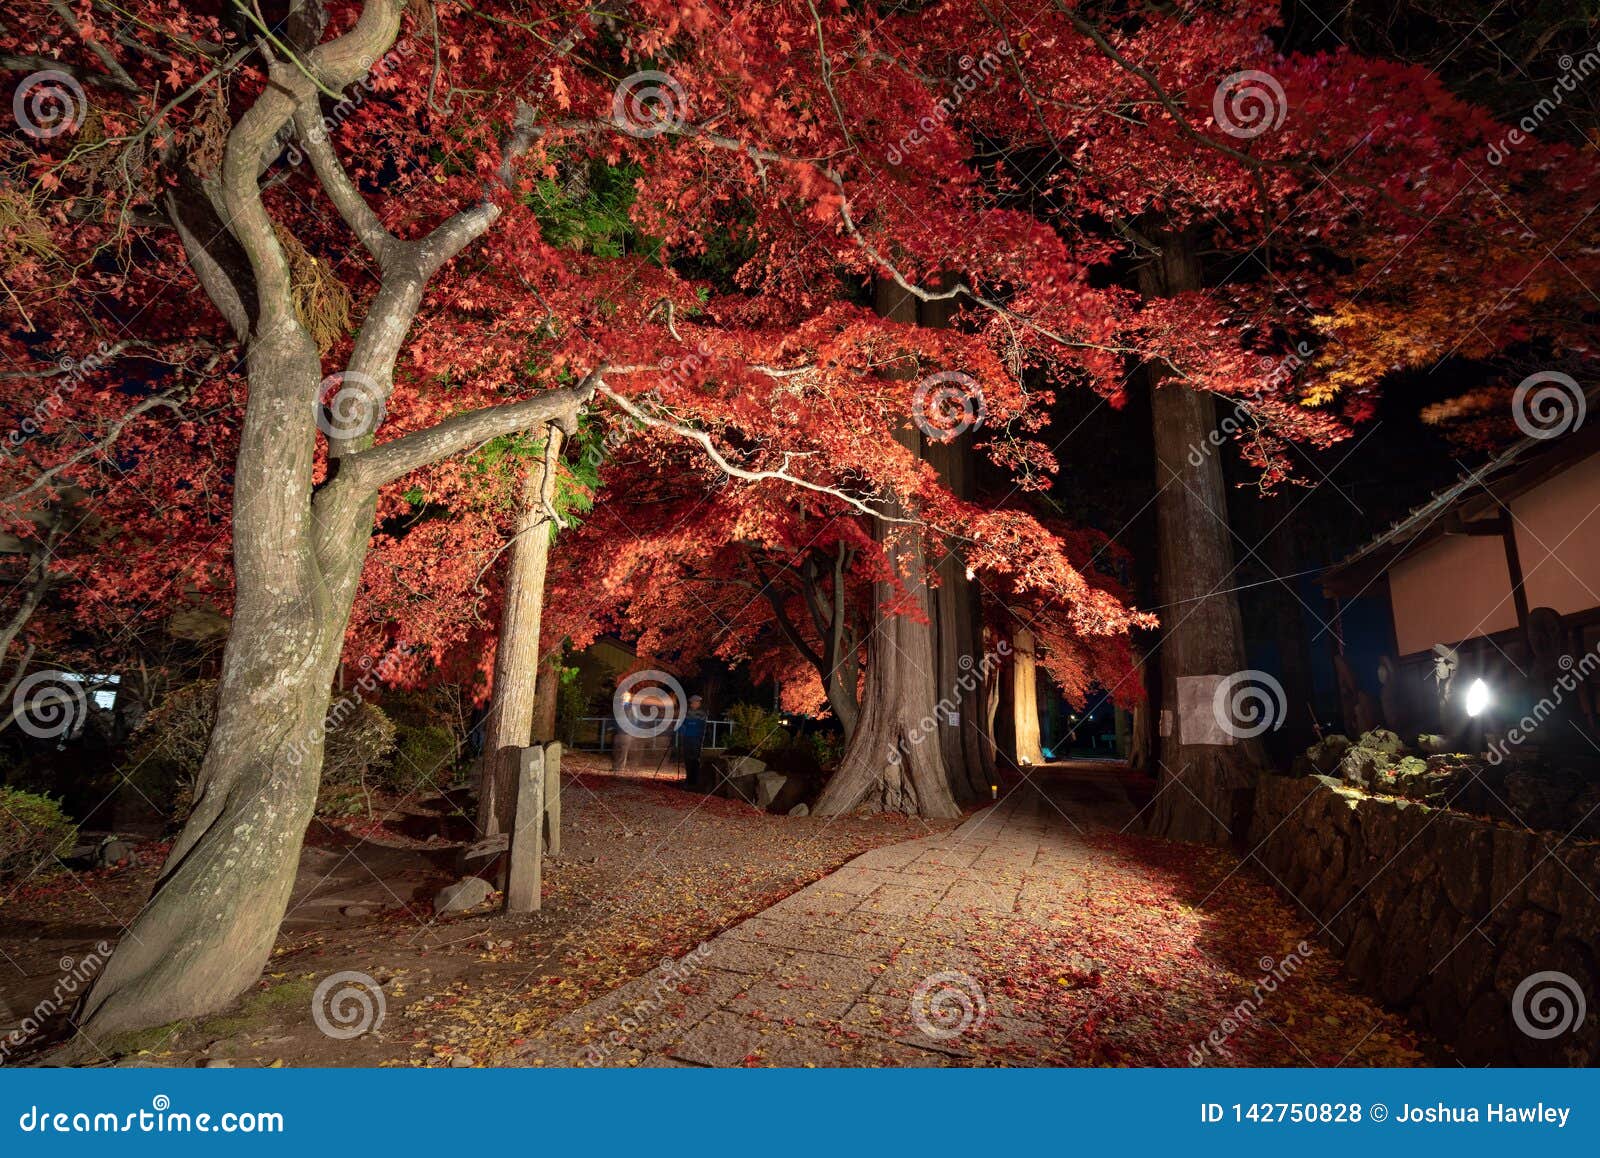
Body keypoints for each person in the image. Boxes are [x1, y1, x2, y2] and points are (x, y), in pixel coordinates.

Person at [676, 694, 708, 788]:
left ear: (699, 703)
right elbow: (682, 724)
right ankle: (689, 779)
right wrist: (680, 729)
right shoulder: (686, 713)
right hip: (687, 738)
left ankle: (695, 780)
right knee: (687, 759)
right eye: (693, 702)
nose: (694, 703)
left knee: (695, 759)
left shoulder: (702, 714)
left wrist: (700, 736)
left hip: (696, 739)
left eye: (696, 702)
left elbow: (702, 727)